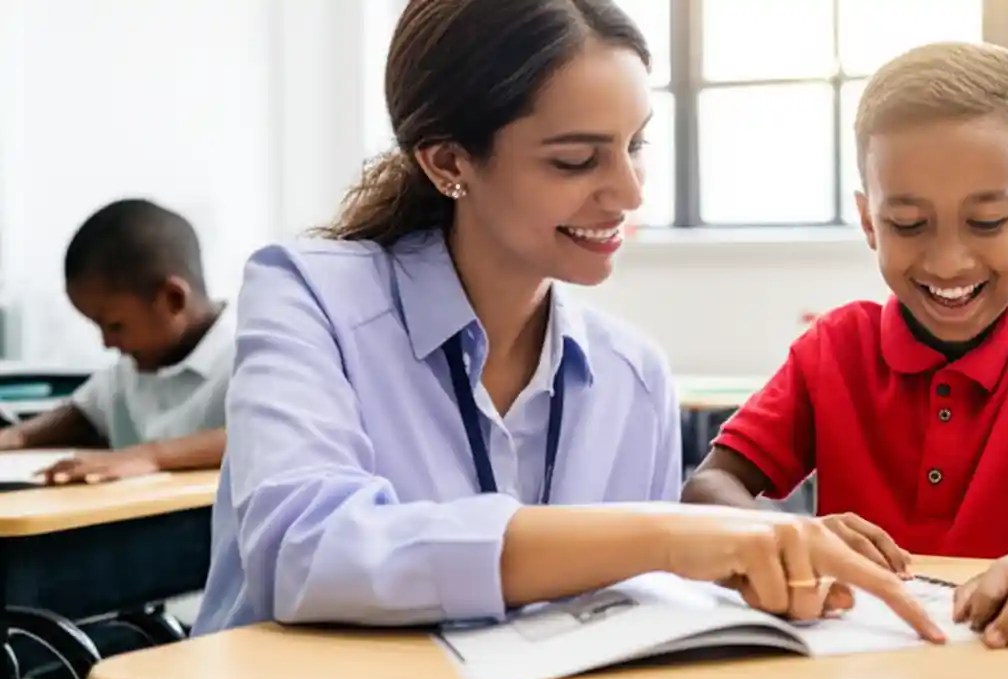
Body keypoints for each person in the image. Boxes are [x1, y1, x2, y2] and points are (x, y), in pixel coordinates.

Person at [193, 0, 941, 642]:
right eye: (577, 161)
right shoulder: (307, 293)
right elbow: (305, 552)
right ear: (448, 161)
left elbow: (631, 612)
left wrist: (761, 573)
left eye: (636, 145)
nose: (628, 192)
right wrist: (679, 535)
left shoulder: (632, 372)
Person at [682, 42, 1008, 649]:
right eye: (908, 225)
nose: (947, 260)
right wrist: (789, 536)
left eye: (987, 223)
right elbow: (708, 486)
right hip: (862, 674)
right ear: (868, 221)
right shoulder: (835, 347)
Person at [0, 199, 231, 483]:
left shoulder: (254, 353)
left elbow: (265, 436)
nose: (107, 342)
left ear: (173, 299)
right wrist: (14, 437)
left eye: (114, 325)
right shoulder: (130, 369)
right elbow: (81, 413)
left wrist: (149, 456)